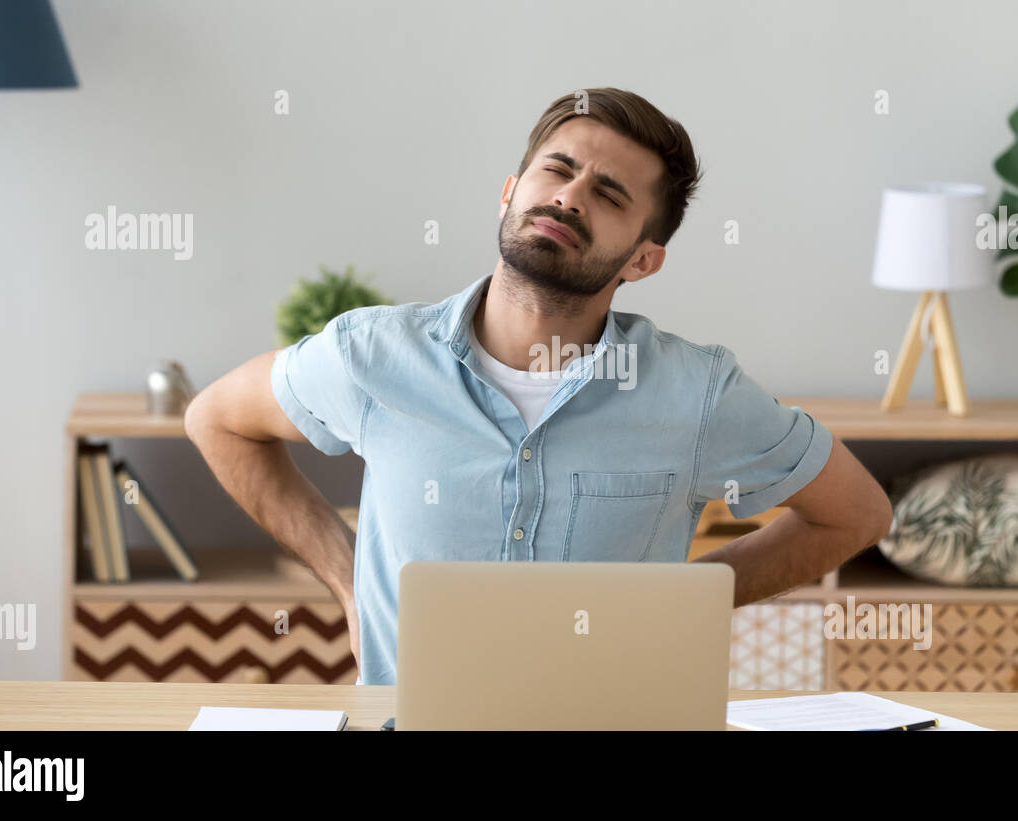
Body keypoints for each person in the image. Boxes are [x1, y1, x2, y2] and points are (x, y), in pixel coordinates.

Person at [184, 87, 893, 685]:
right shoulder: (371, 356)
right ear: (509, 192)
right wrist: (344, 576)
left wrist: (688, 599)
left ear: (645, 259)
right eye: (557, 169)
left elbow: (856, 513)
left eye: (608, 193)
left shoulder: (698, 394)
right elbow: (215, 419)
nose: (570, 196)